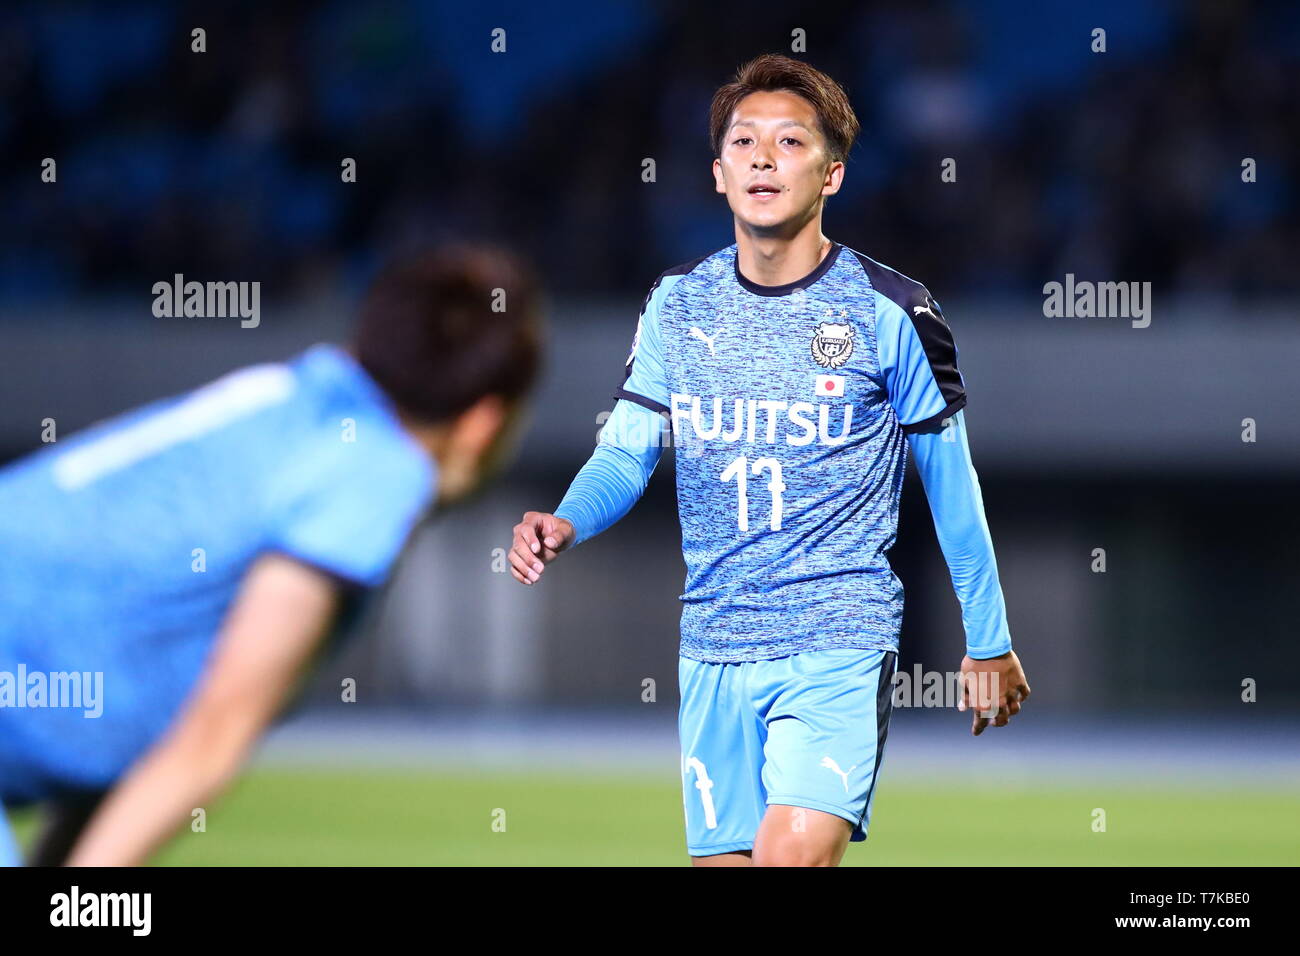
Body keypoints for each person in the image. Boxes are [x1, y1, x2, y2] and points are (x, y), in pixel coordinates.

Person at [508, 54, 1030, 867]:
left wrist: (988, 637)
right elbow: (627, 451)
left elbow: (950, 481)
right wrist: (566, 519)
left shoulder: (892, 311)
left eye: (789, 142)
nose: (761, 156)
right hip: (713, 641)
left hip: (838, 633)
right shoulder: (677, 304)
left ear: (834, 173)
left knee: (791, 857)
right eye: (744, 142)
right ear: (718, 175)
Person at [0, 243, 542, 866]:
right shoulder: (376, 471)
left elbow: (145, 748)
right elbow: (209, 743)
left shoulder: (302, 396)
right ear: (484, 422)